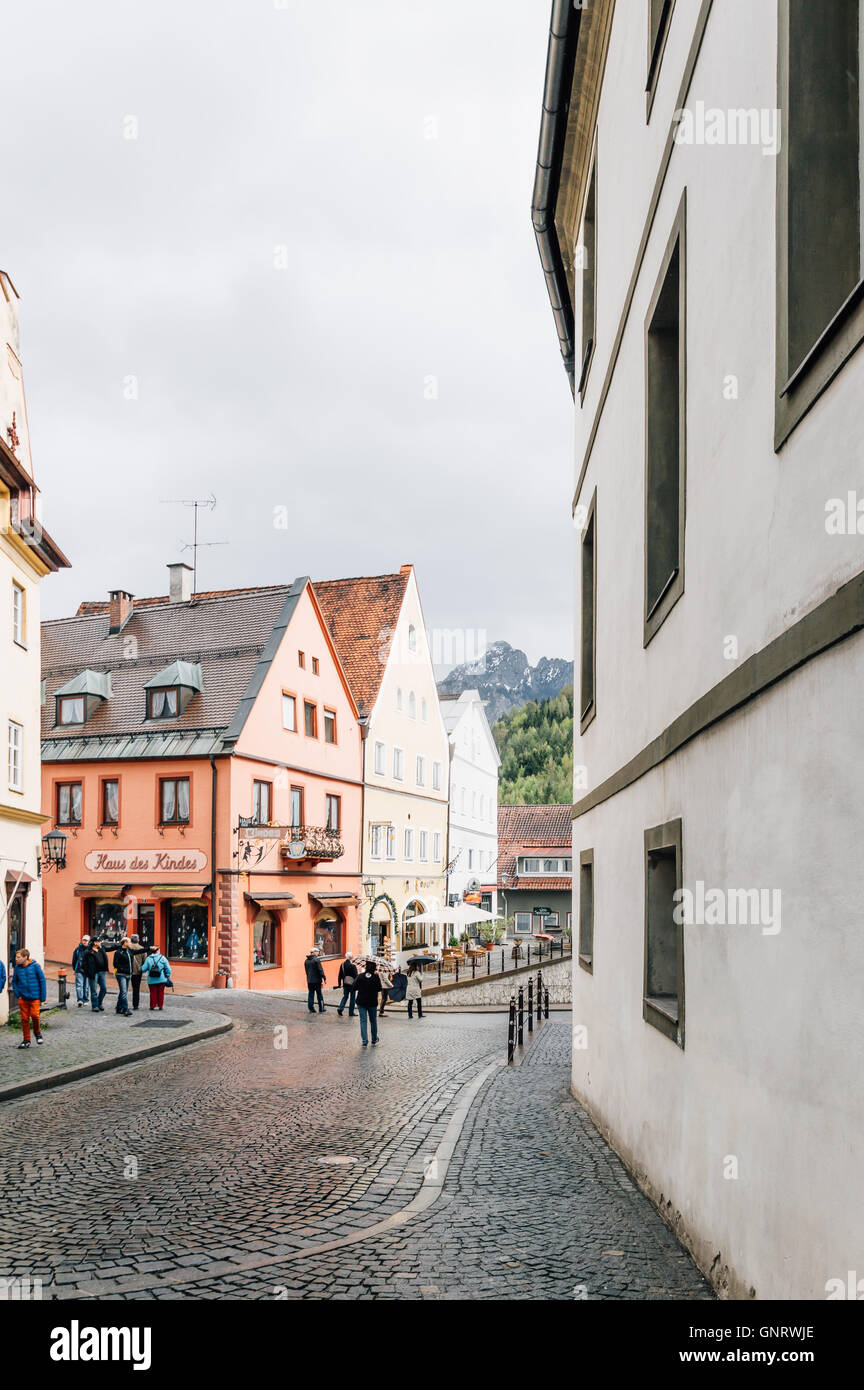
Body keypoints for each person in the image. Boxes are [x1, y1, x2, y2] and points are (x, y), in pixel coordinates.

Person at [11, 949, 46, 1049]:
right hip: (23, 998)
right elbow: (14, 982)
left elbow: (42, 980)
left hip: (35, 997)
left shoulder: (35, 966)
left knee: (35, 1016)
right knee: (24, 1019)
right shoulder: (17, 968)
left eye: (18, 957)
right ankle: (26, 1040)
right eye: (16, 957)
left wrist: (42, 997)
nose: (16, 959)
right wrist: (18, 994)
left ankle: (37, 1033)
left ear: (25, 957)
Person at [107, 937, 146, 1017]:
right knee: (124, 992)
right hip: (121, 974)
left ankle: (118, 1008)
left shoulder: (129, 951)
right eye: (129, 942)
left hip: (129, 974)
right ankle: (126, 1009)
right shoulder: (118, 952)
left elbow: (140, 951)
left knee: (123, 992)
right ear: (124, 943)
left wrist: (150, 949)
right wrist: (123, 969)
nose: (130, 943)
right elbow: (115, 964)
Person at [354, 960, 381, 1045]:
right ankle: (374, 1039)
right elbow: (379, 988)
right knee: (373, 1021)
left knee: (363, 1021)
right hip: (372, 1002)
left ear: (366, 967)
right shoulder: (376, 977)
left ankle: (364, 1041)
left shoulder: (360, 976)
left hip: (361, 1001)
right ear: (374, 968)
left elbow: (354, 987)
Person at [83, 938, 110, 1012]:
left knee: (104, 989)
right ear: (94, 943)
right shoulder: (88, 952)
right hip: (93, 973)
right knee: (94, 990)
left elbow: (109, 951)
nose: (100, 942)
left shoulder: (101, 949)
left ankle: (99, 1003)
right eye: (99, 941)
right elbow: (84, 963)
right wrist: (87, 972)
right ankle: (95, 1006)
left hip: (102, 972)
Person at [304, 947, 326, 1014]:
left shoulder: (306, 961)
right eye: (317, 951)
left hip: (309, 980)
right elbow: (320, 970)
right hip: (317, 981)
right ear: (313, 952)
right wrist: (324, 977)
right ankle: (321, 1008)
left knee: (311, 994)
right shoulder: (316, 960)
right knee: (319, 994)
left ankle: (311, 1008)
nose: (318, 953)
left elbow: (306, 971)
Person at [71, 935, 91, 1007]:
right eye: (84, 940)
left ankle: (85, 1000)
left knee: (86, 986)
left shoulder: (90, 949)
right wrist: (74, 969)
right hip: (79, 969)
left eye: (86, 940)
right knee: (79, 985)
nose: (85, 942)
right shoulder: (77, 949)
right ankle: (80, 1000)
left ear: (89, 941)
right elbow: (74, 960)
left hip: (88, 970)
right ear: (82, 941)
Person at [129, 933, 145, 1010]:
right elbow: (144, 961)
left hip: (127, 970)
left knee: (123, 988)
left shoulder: (128, 947)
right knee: (136, 989)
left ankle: (121, 1003)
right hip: (137, 971)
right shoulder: (142, 948)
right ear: (138, 940)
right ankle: (135, 1005)